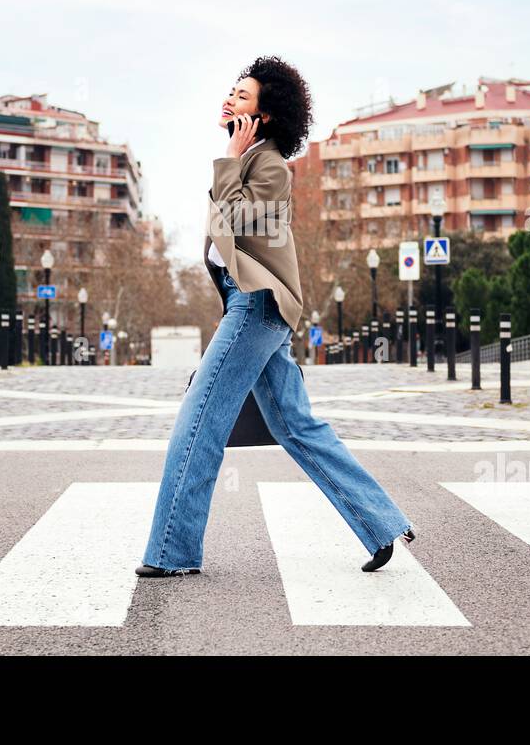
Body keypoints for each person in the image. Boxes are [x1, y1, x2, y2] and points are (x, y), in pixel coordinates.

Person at [137, 56, 415, 578]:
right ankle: (380, 522)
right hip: (256, 307)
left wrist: (229, 157)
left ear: (262, 116)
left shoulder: (270, 167)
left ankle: (172, 552)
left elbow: (234, 221)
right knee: (297, 426)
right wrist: (231, 161)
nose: (229, 100)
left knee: (198, 422)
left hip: (257, 308)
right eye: (231, 92)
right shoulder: (251, 162)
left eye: (241, 97)